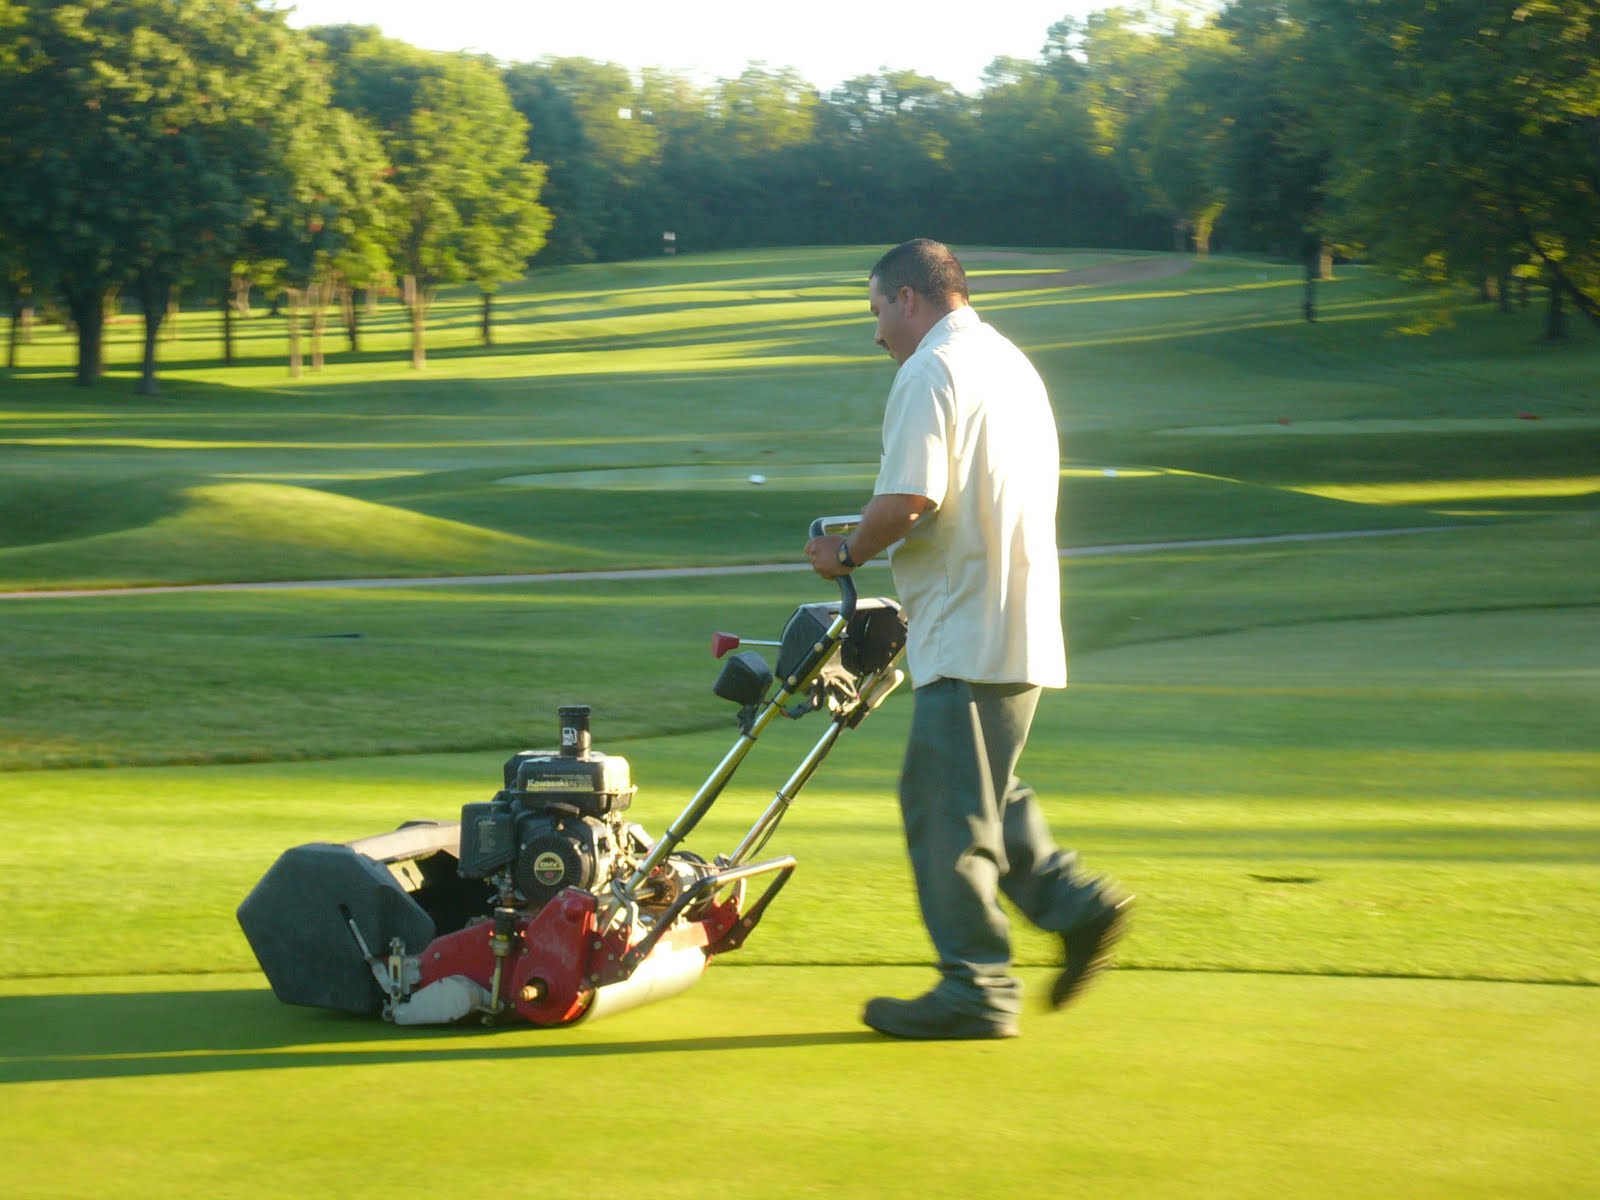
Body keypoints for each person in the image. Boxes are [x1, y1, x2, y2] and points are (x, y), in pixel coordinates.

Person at [805, 238, 1130, 1040]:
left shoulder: (930, 371)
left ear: (909, 298)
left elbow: (912, 494)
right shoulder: (1008, 362)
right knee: (981, 791)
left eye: (878, 310)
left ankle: (976, 987)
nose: (876, 331)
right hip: (1013, 615)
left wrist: (843, 553)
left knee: (943, 807)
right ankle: (1077, 906)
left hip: (967, 619)